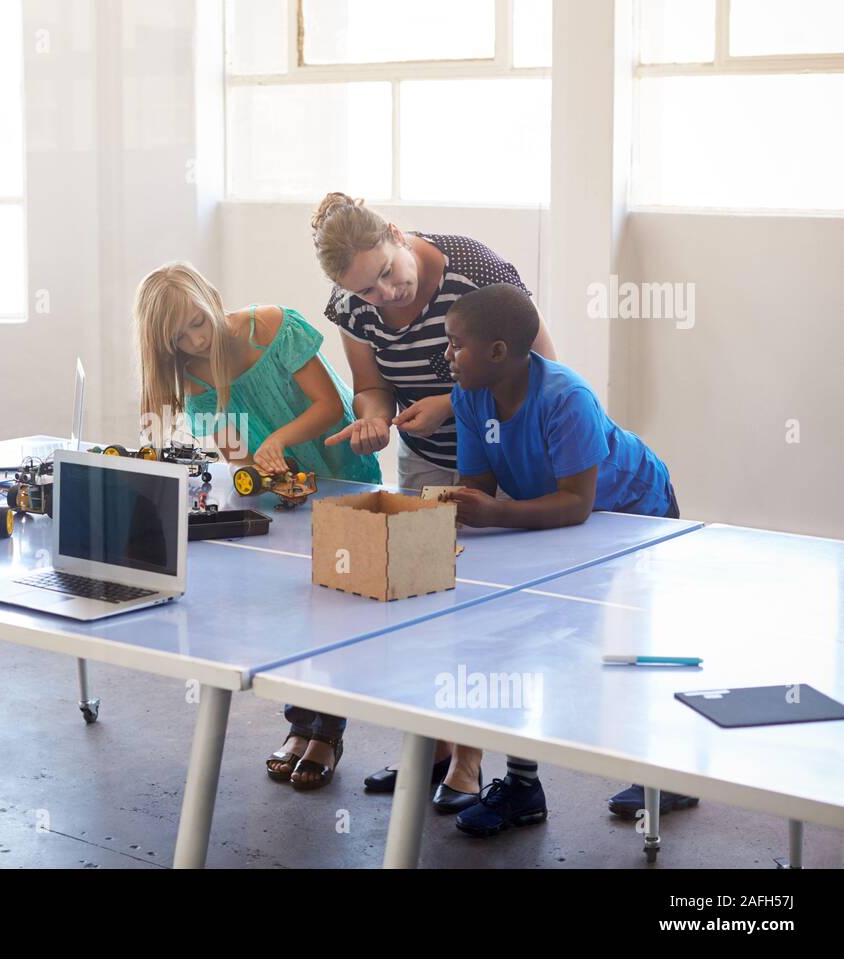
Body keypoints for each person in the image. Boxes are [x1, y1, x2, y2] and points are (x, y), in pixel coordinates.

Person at [311, 191, 559, 808]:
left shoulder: (476, 271)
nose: (385, 295)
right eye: (368, 291)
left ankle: (471, 763)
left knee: (487, 618)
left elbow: (544, 367)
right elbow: (372, 388)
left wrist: (454, 403)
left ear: (397, 233)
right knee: (425, 609)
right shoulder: (352, 306)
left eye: (388, 275)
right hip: (425, 461)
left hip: (502, 453)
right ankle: (434, 752)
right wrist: (373, 418)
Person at [442, 282, 696, 836]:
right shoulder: (468, 395)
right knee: (505, 638)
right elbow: (480, 483)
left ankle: (669, 773)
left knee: (630, 652)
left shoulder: (566, 396)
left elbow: (577, 504)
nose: (447, 355)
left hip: (634, 511)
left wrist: (491, 513)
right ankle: (523, 789)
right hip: (552, 516)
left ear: (499, 352)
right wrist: (463, 505)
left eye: (456, 344)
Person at [133, 261, 379, 790]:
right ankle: (300, 724)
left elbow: (329, 405)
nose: (197, 341)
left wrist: (280, 441)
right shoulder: (191, 376)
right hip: (285, 494)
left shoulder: (269, 326)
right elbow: (238, 456)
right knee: (294, 611)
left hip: (340, 474)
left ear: (211, 299)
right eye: (181, 338)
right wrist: (257, 468)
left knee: (332, 611)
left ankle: (325, 734)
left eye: (200, 322)